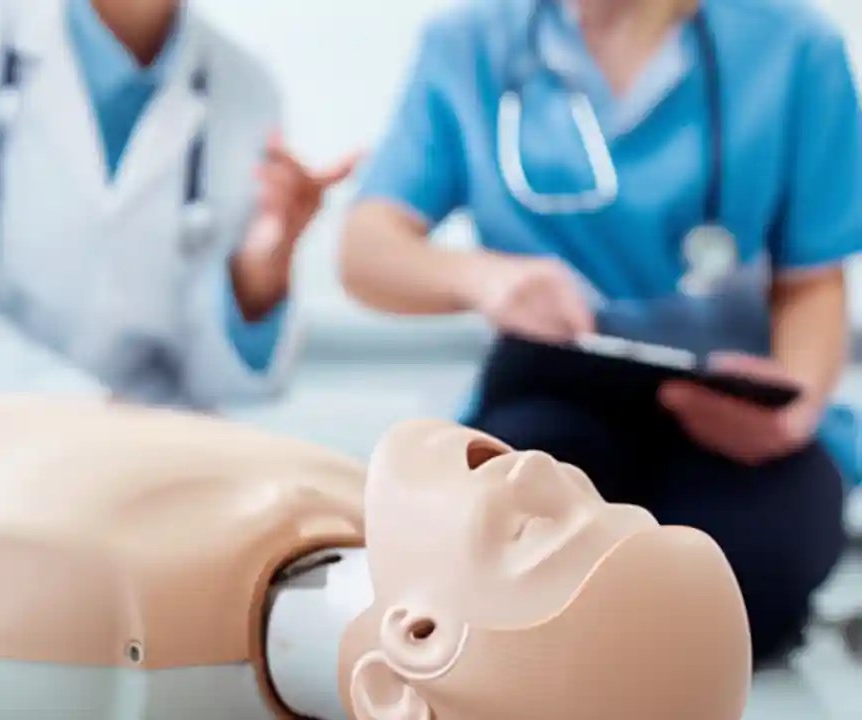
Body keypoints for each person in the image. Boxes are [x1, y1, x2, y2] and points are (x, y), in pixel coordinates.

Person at [0, 394, 750, 720]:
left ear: (396, 662)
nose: (540, 470)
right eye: (601, 501)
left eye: (533, 530)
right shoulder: (330, 492)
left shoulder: (77, 615)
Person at [339, 0, 861, 666]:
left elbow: (812, 281)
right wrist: (483, 278)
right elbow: (367, 250)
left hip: (732, 421)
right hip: (553, 400)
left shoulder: (795, 46)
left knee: (748, 577)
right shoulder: (468, 43)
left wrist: (797, 405)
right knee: (502, 567)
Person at [0, 0, 357, 409]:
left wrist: (257, 277)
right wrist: (96, 411)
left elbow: (222, 386)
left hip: (141, 465)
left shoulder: (246, 89)